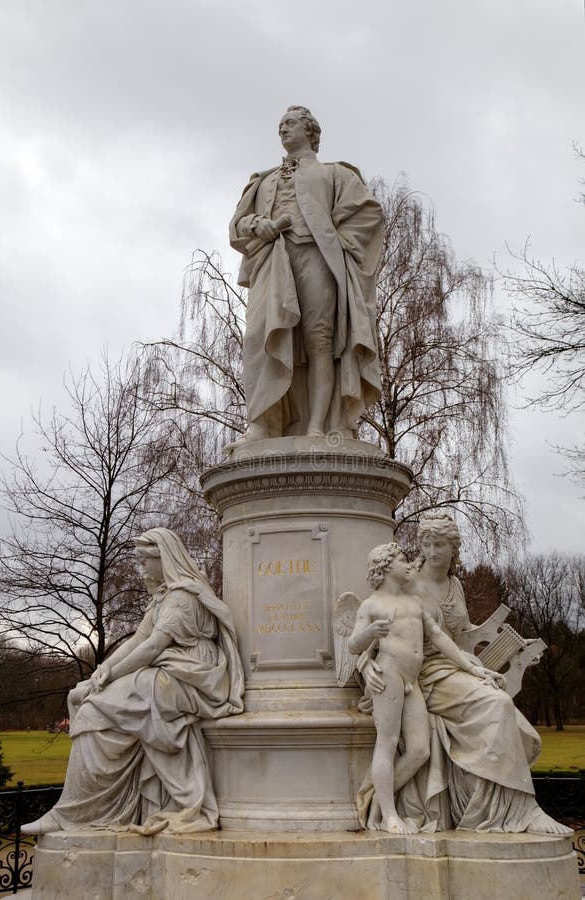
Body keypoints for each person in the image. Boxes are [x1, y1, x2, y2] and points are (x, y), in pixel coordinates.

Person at [358, 512, 572, 835]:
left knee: (498, 699)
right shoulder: (407, 582)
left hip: (454, 664)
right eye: (427, 544)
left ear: (453, 547)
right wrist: (364, 663)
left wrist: (510, 649)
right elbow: (376, 628)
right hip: (425, 675)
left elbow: (460, 635)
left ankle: (511, 808)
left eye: (440, 544)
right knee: (497, 706)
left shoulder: (455, 585)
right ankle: (520, 810)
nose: (432, 552)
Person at [21, 528, 244, 835]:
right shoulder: (164, 597)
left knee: (93, 708)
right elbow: (139, 639)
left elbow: (153, 647)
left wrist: (111, 676)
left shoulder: (183, 597)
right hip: (170, 672)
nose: (141, 570)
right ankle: (79, 809)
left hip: (191, 677)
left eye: (144, 562)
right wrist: (102, 669)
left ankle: (76, 813)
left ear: (162, 558)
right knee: (86, 702)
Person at [229, 105, 384, 442]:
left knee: (321, 341)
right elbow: (238, 224)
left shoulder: (336, 175)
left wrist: (340, 246)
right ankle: (262, 422)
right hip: (274, 259)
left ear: (311, 132)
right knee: (259, 336)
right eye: (280, 124)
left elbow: (368, 215)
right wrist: (260, 224)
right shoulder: (263, 180)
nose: (283, 129)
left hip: (317, 256)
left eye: (291, 123)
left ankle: (320, 425)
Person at [349, 542, 504, 834]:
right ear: (385, 568)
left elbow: (440, 638)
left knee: (419, 750)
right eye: (400, 559)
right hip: (389, 677)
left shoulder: (414, 603)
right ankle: (390, 815)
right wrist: (371, 632)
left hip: (411, 681)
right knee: (388, 742)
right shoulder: (371, 605)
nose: (408, 563)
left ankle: (377, 803)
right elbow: (353, 644)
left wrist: (470, 667)